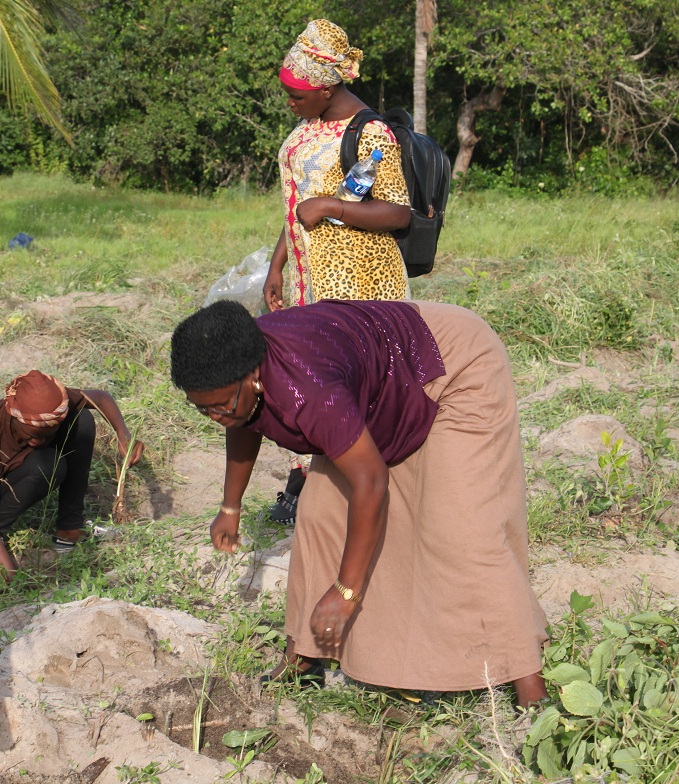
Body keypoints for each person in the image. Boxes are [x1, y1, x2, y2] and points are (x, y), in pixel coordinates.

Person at [170, 299, 549, 708]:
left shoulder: (309, 390)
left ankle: (528, 682)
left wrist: (346, 591)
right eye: (201, 408)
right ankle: (304, 657)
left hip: (449, 365)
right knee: (319, 516)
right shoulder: (240, 366)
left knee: (462, 530)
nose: (213, 417)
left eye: (219, 404)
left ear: (254, 376)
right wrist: (230, 507)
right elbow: (242, 419)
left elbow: (370, 481)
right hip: (379, 377)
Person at [262, 19, 413, 524]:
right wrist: (277, 265)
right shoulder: (308, 127)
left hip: (357, 284)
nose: (290, 102)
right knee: (309, 377)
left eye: (297, 94)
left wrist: (330, 206)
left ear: (326, 88)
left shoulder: (371, 135)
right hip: (311, 282)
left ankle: (347, 495)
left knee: (346, 383)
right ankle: (306, 492)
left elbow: (396, 213)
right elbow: (294, 205)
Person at [0, 370, 144, 582]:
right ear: (12, 415)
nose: (38, 442)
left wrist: (123, 434)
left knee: (81, 420)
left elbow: (100, 397)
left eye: (47, 435)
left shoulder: (51, 408)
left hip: (5, 480)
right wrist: (14, 577)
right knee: (48, 465)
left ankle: (70, 530)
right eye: (30, 436)